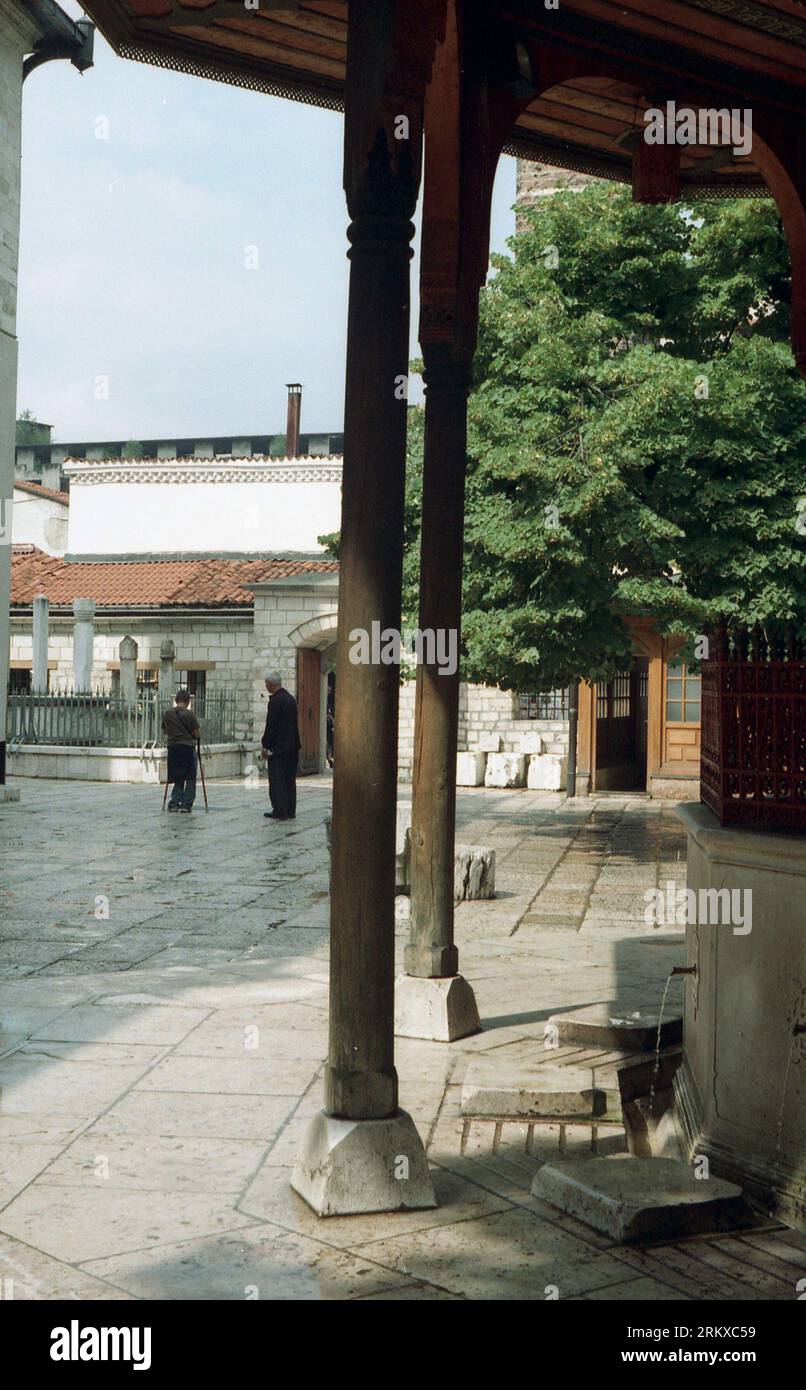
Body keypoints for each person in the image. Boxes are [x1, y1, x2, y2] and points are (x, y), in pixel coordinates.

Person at [261, 669, 301, 821]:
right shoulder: (290, 699)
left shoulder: (275, 702)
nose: (266, 686)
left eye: (266, 684)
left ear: (271, 684)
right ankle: (290, 810)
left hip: (279, 748)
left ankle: (280, 810)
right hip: (293, 746)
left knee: (277, 780)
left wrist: (266, 745)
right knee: (289, 780)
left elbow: (271, 726)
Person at [162, 688, 200, 813]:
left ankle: (174, 802)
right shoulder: (190, 714)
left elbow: (165, 731)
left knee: (177, 775)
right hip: (187, 748)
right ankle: (186, 804)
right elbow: (197, 733)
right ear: (188, 701)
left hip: (173, 748)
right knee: (190, 776)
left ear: (176, 700)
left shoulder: (168, 714)